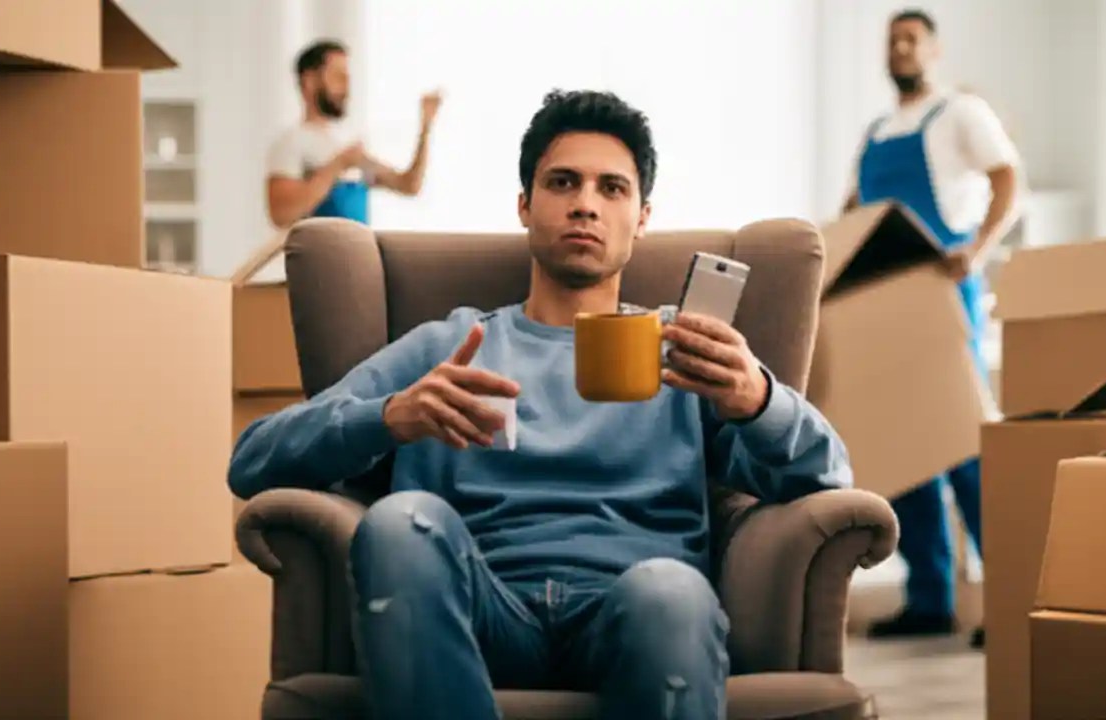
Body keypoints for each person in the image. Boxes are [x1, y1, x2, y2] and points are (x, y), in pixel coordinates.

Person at [230, 89, 853, 720]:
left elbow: (829, 476)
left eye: (612, 188)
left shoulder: (685, 348)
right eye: (563, 183)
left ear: (641, 218)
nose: (585, 204)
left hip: (637, 611)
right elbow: (252, 460)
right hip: (478, 608)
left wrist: (758, 400)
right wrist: (389, 416)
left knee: (671, 592)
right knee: (399, 522)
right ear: (526, 207)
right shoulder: (449, 345)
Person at [842, 9, 1022, 649]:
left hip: (941, 291)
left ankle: (1011, 598)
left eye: (911, 39)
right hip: (882, 303)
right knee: (910, 451)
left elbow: (1008, 179)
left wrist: (976, 249)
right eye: (892, 40)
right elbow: (851, 214)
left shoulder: (961, 114)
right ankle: (929, 599)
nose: (899, 48)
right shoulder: (875, 133)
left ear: (933, 50)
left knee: (965, 446)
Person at [265, 39, 441, 228]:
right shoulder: (290, 143)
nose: (346, 87)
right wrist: (338, 165)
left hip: (358, 254)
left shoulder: (348, 143)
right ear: (310, 81)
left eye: (347, 78)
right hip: (318, 256)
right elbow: (281, 214)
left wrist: (425, 129)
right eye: (338, 77)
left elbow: (409, 185)